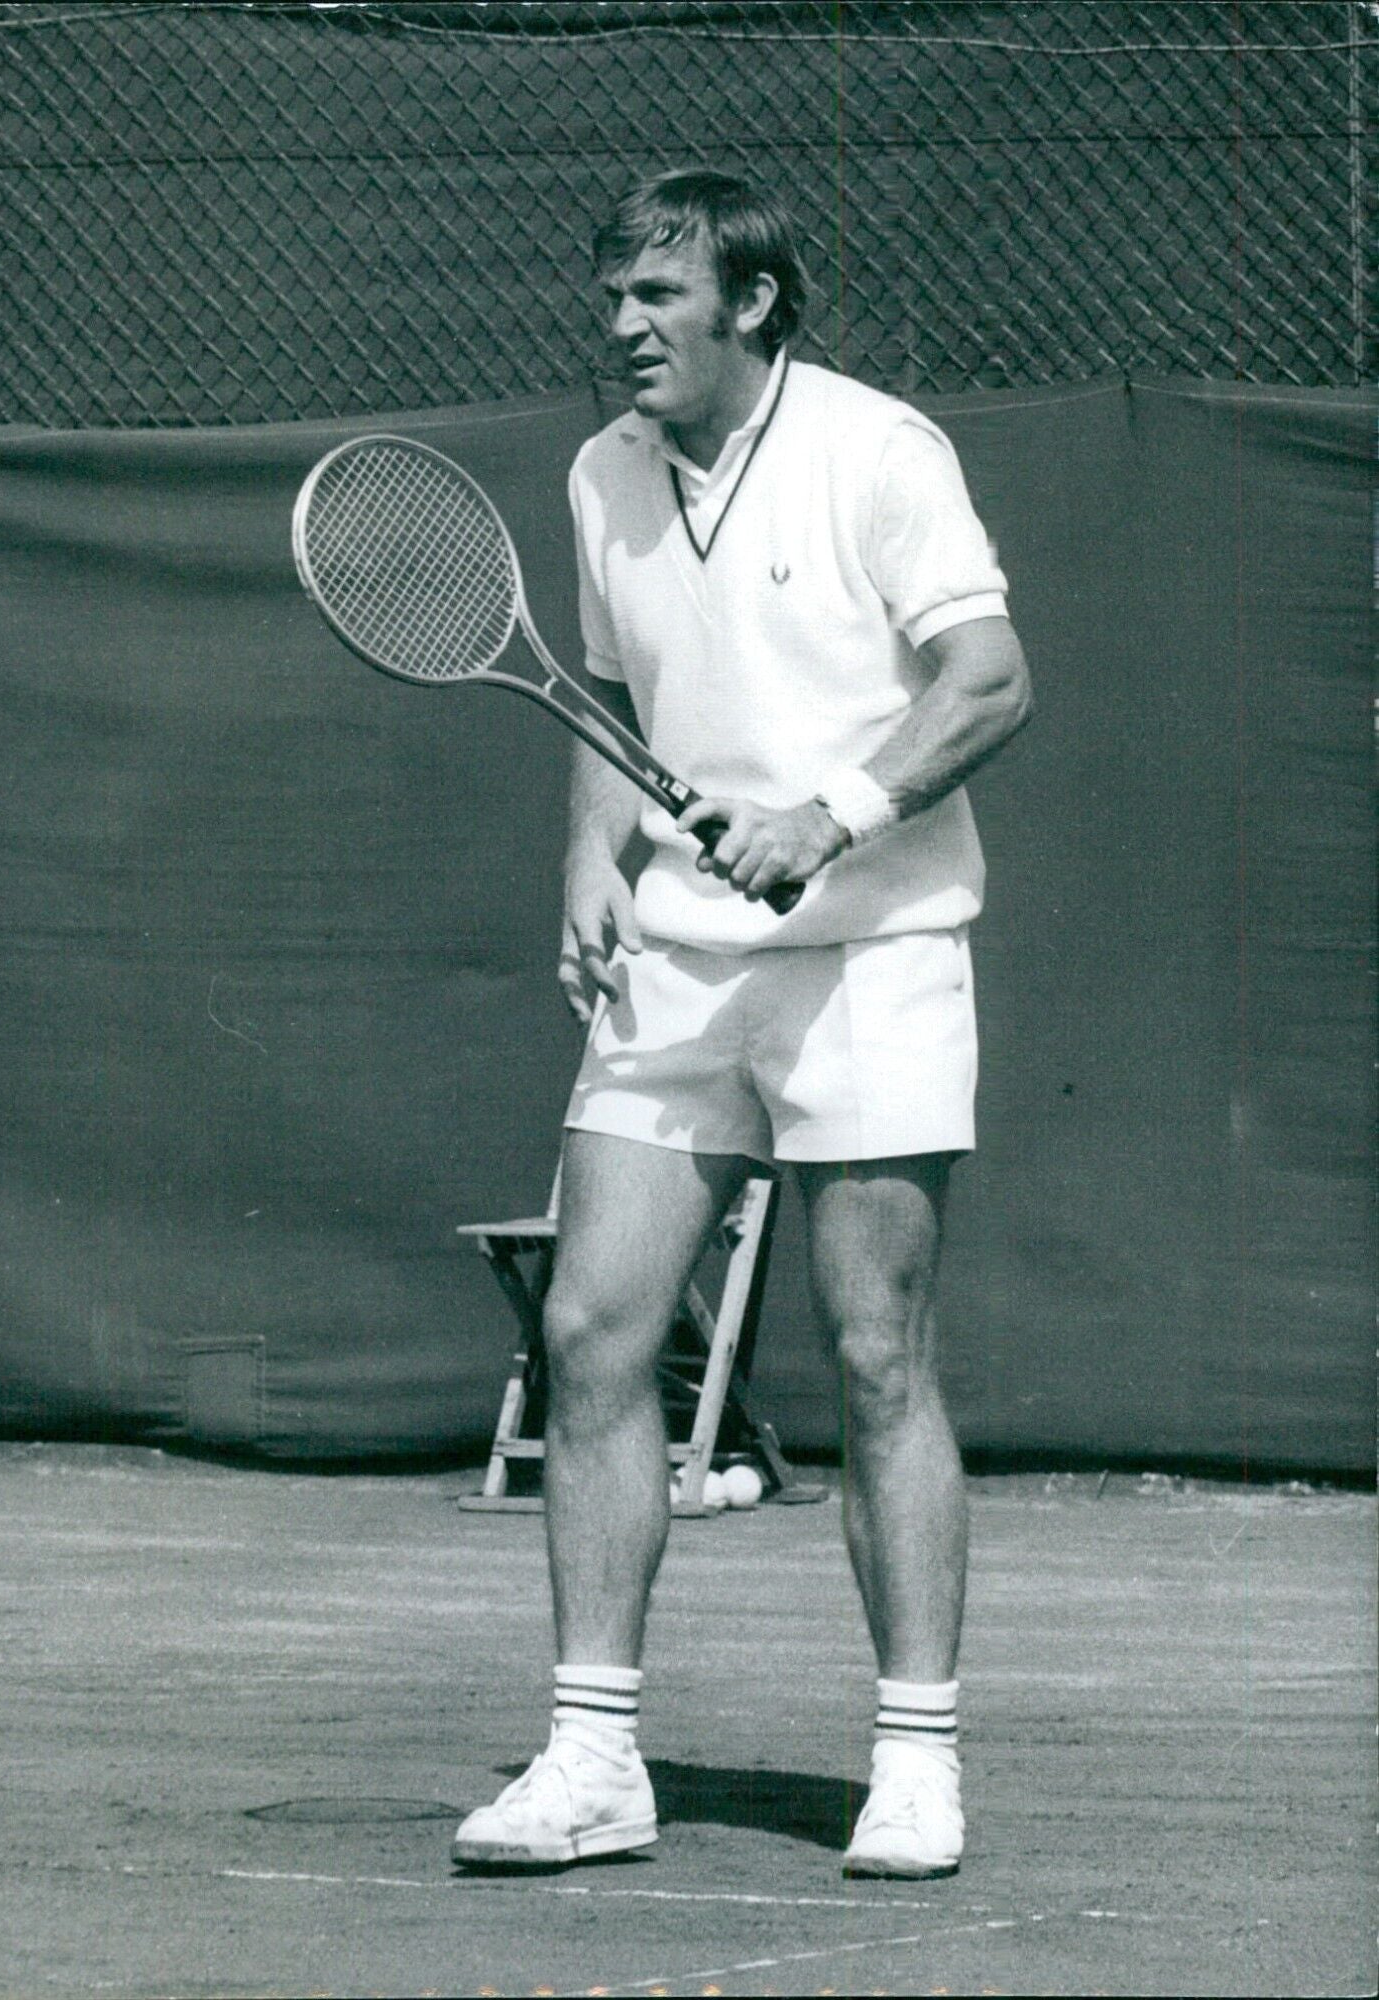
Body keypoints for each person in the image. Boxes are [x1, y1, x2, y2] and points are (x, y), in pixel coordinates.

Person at [453, 168, 1032, 1879]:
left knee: (876, 1352)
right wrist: (592, 857)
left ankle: (913, 1763)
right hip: (680, 964)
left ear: (751, 303)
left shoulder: (879, 450)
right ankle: (592, 1760)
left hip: (873, 955)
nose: (621, 326)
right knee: (591, 1333)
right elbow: (611, 695)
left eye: (656, 296)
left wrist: (831, 815)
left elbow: (990, 678)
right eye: (612, 297)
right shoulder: (602, 473)